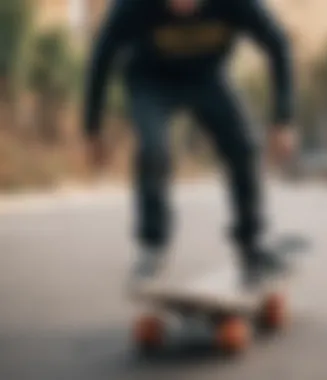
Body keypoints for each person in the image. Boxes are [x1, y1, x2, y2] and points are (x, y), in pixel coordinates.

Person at [84, 0, 297, 288]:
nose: (182, 6)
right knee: (153, 149)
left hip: (208, 78)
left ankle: (251, 245)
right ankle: (152, 247)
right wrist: (93, 129)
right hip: (150, 81)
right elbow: (102, 57)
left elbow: (278, 44)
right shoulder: (132, 6)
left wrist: (283, 119)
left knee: (244, 146)